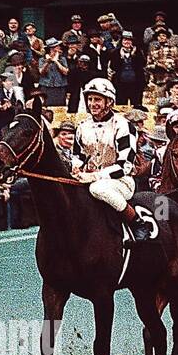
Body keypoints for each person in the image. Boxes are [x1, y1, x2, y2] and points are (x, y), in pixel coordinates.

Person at [71, 77, 153, 245]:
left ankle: (137, 223)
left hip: (120, 181)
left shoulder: (123, 125)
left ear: (109, 102)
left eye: (98, 99)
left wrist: (93, 177)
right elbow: (78, 155)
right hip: (88, 178)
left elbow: (125, 166)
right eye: (90, 99)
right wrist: (76, 168)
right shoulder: (82, 127)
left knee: (97, 189)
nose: (93, 103)